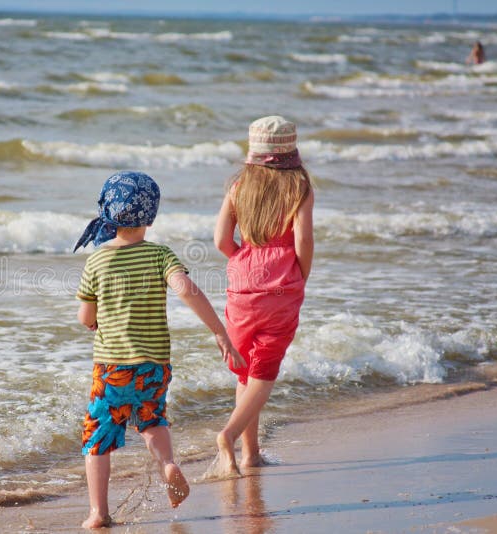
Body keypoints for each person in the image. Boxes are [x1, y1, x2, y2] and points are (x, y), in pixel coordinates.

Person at [74, 171, 245, 529]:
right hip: (154, 365)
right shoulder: (160, 255)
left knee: (98, 438)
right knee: (152, 421)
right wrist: (220, 332)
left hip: (111, 367)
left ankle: (98, 513)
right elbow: (186, 289)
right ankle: (167, 464)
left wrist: (93, 321)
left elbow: (85, 316)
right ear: (150, 218)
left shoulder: (97, 261)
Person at [207, 116, 314, 479]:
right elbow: (303, 241)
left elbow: (221, 240)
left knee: (246, 372)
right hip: (282, 287)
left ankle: (250, 454)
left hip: (241, 287)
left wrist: (244, 260)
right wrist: (299, 273)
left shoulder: (239, 186)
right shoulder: (299, 186)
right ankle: (229, 435)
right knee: (264, 373)